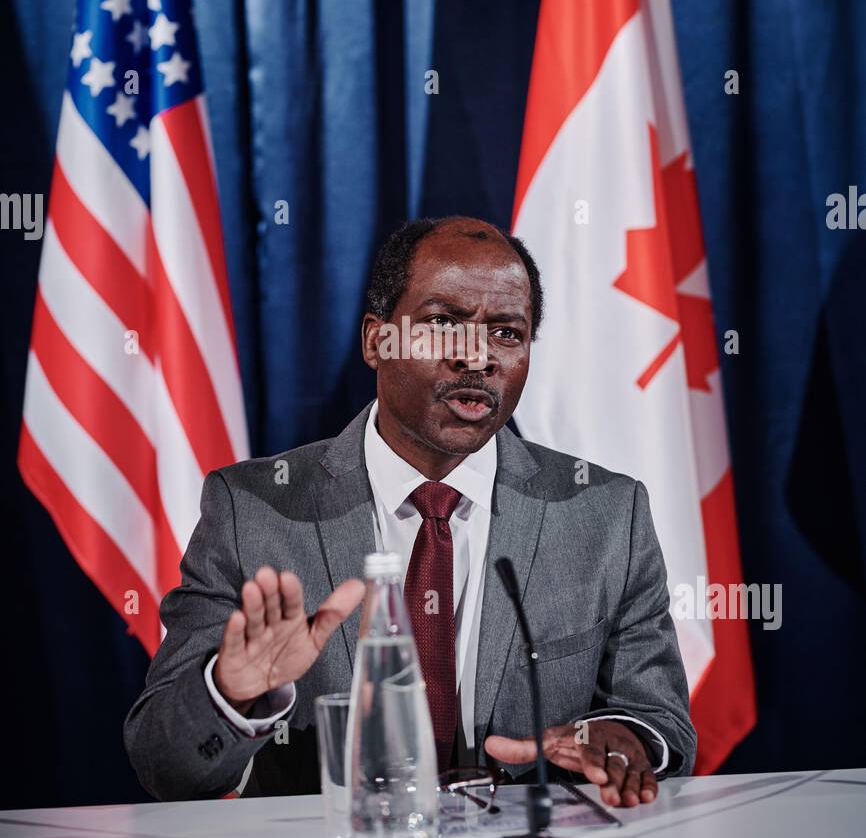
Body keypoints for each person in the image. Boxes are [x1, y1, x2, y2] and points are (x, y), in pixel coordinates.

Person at [124, 216, 697, 802]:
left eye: (506, 333)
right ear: (376, 340)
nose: (477, 357)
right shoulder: (254, 510)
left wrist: (624, 736)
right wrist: (231, 694)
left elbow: (662, 722)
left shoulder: (605, 514)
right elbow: (164, 765)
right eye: (443, 322)